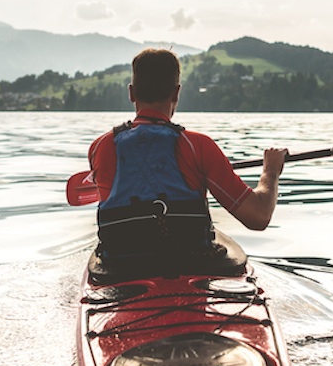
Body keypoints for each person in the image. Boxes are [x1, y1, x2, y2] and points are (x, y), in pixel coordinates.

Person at [87, 48, 286, 278]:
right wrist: (270, 172)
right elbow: (258, 217)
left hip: (121, 269)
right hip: (193, 264)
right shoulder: (199, 146)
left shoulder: (99, 148)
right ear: (176, 93)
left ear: (131, 93)